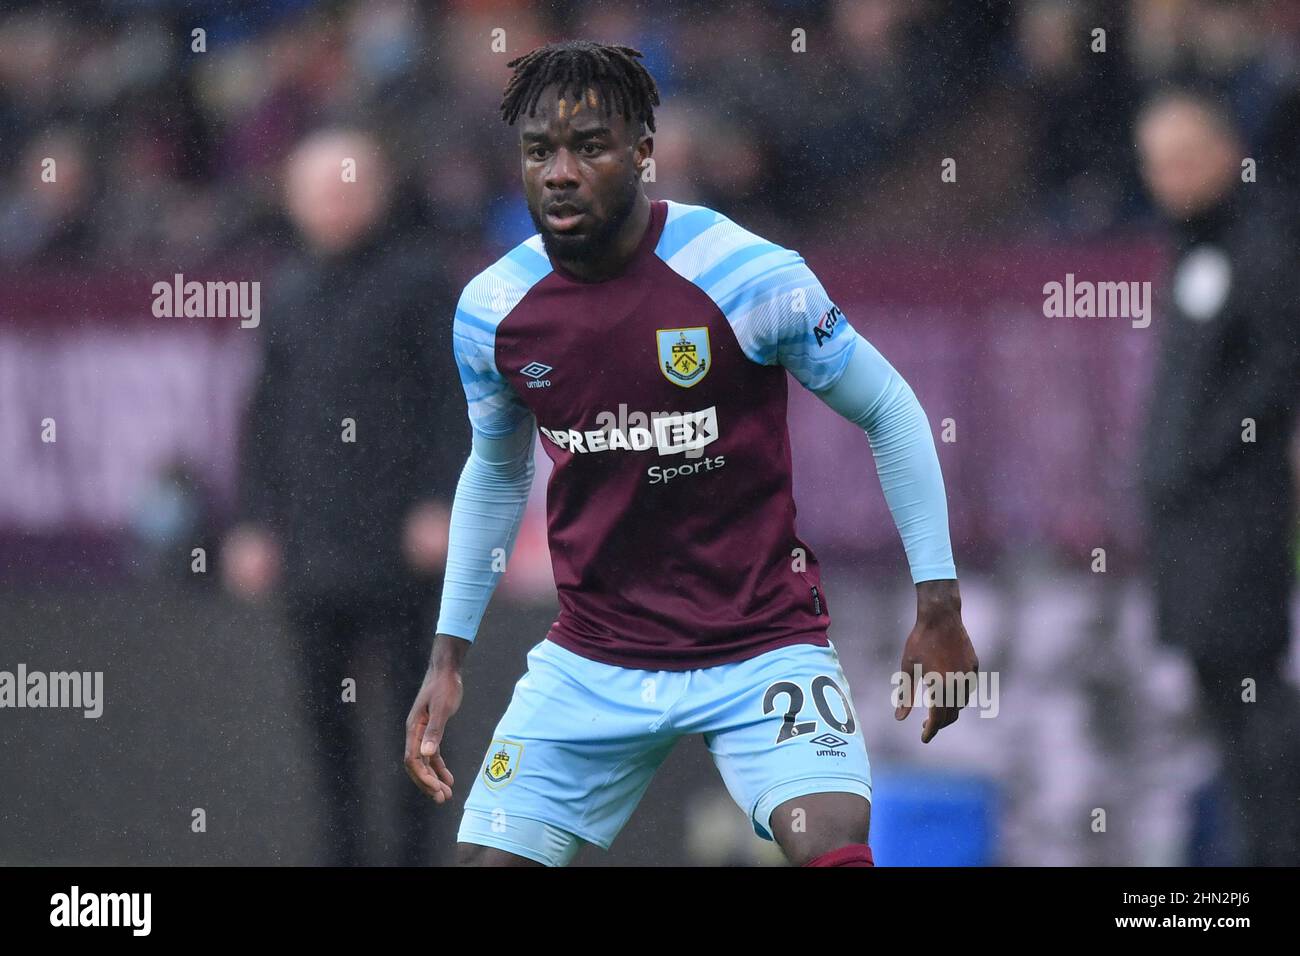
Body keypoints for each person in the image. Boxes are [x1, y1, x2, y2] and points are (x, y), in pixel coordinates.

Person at [404, 41, 978, 868]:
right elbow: (496, 468)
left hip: (761, 646)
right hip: (593, 657)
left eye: (590, 147)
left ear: (644, 156)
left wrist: (938, 603)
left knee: (833, 849)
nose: (560, 173)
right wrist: (449, 653)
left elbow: (889, 410)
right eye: (539, 153)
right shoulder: (493, 310)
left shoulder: (747, 275)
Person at [224, 127, 467, 865]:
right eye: (318, 191)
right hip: (311, 544)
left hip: (401, 544)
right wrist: (254, 523)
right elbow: (265, 415)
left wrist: (440, 501)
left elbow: (454, 403)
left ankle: (415, 857)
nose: (333, 203)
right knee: (324, 722)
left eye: (346, 186)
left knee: (412, 720)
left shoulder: (421, 282)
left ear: (377, 190)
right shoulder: (289, 291)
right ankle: (342, 854)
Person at [1136, 88, 1300, 865]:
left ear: (1226, 151)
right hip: (1191, 529)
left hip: (1241, 518)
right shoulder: (1191, 248)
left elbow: (1278, 368)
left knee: (1255, 696)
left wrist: (1202, 454)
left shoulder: (1261, 243)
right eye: (1156, 166)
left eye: (1183, 159)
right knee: (1220, 698)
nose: (1169, 179)